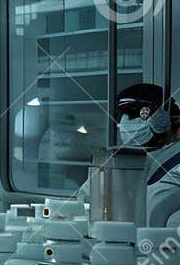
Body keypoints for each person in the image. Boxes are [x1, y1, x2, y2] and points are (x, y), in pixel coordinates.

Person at [77, 83, 180, 226]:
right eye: (123, 115)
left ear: (164, 118)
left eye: (135, 114)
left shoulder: (174, 167)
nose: (127, 122)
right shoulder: (117, 162)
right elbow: (83, 206)